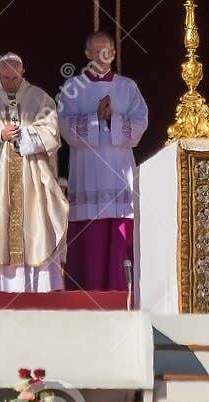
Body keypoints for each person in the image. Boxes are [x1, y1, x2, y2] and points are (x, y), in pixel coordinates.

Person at [0, 54, 68, 292]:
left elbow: (52, 133)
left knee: (35, 225)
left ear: (23, 73)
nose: (10, 83)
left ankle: (34, 290)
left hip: (31, 178)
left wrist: (24, 134)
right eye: (5, 78)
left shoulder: (40, 98)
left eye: (15, 78)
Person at [58, 32, 149, 291]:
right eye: (96, 51)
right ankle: (87, 291)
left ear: (114, 54)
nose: (102, 56)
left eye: (107, 51)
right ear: (87, 54)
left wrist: (111, 120)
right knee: (91, 237)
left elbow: (141, 123)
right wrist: (95, 117)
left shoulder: (127, 87)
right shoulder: (72, 88)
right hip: (87, 169)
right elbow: (64, 126)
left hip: (119, 168)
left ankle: (123, 290)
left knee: (120, 228)